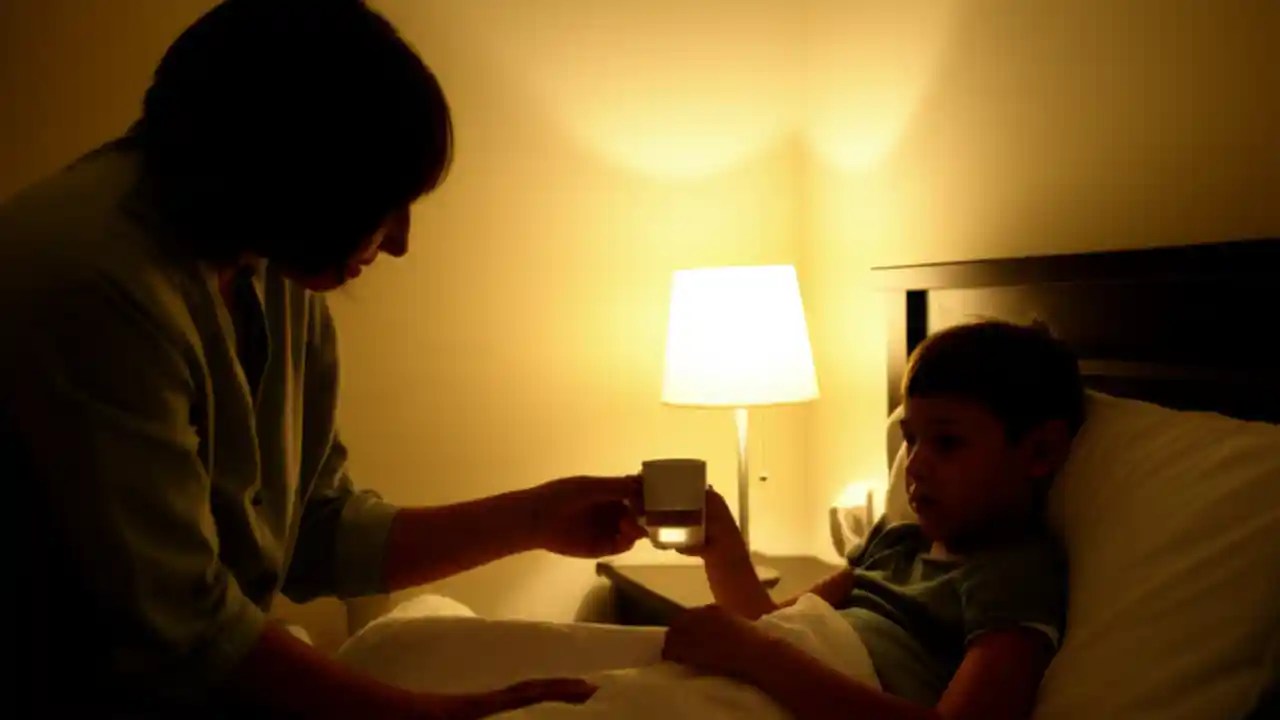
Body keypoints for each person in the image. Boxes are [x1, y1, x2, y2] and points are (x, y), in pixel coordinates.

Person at [0, 1, 646, 717]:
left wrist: (534, 517)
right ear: (294, 163)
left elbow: (315, 532)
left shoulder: (272, 269)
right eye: (382, 201)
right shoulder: (90, 279)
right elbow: (179, 624)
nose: (398, 242)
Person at [662, 321, 1082, 720]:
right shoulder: (894, 543)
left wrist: (753, 654)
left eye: (947, 443)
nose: (914, 467)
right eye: (911, 439)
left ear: (1040, 453)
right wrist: (724, 549)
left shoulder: (1013, 572)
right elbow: (770, 623)